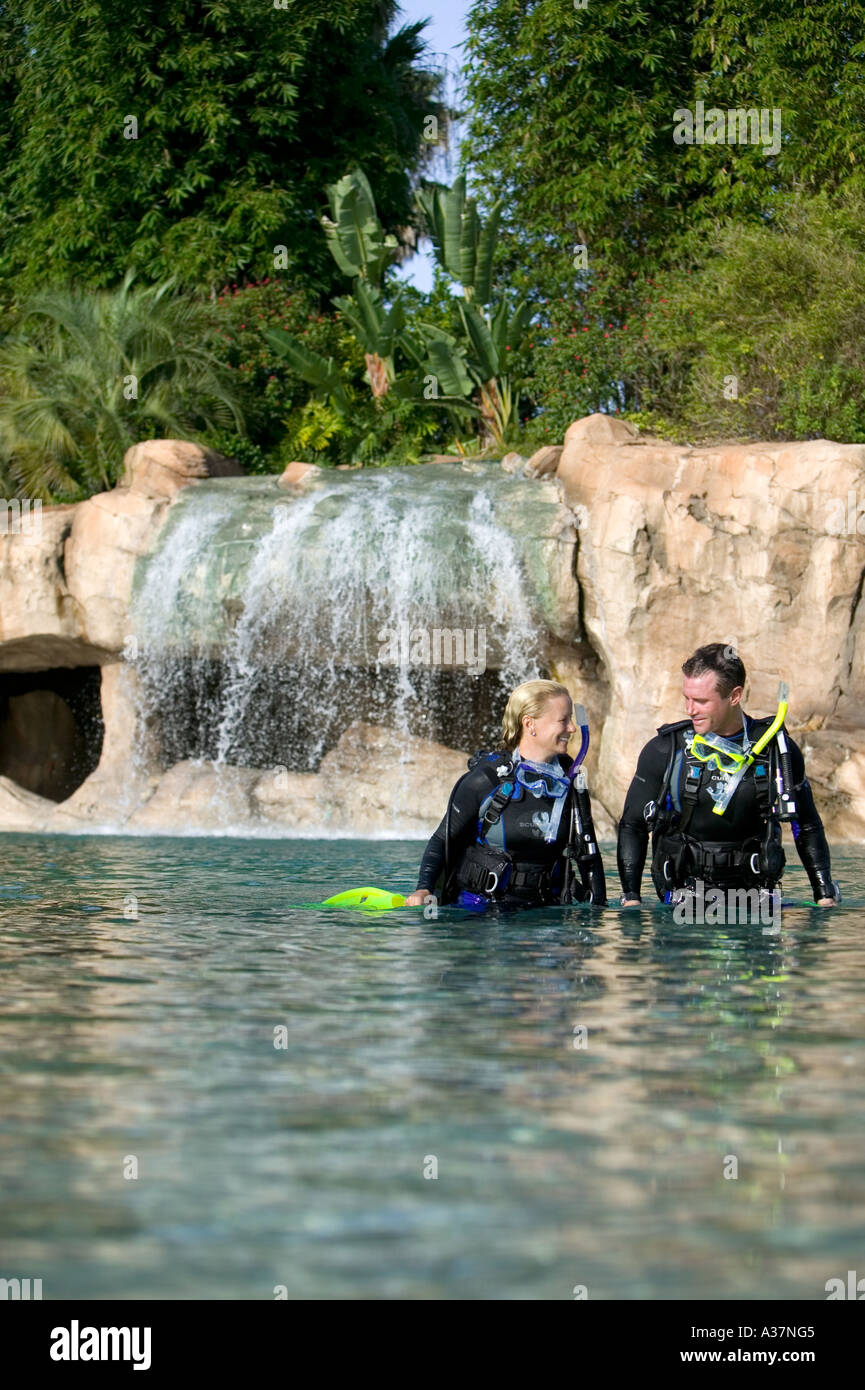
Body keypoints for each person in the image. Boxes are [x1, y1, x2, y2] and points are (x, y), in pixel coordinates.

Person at [617, 644, 839, 909]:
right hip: (682, 904)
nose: (690, 709)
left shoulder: (776, 752)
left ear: (734, 696)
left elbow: (807, 824)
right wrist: (631, 897)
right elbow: (632, 824)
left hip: (755, 901)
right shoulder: (666, 750)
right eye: (686, 698)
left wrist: (823, 893)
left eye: (701, 701)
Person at [405, 679, 607, 911]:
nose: (572, 728)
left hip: (546, 913)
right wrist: (423, 889)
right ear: (530, 724)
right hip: (482, 913)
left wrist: (598, 910)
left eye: (572, 719)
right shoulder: (486, 780)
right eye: (563, 720)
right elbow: (443, 840)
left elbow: (588, 854)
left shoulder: (570, 783)